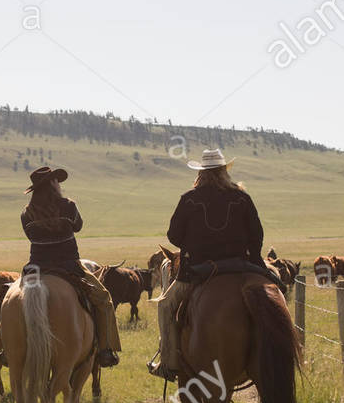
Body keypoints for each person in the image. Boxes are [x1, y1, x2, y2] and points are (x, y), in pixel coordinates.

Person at [149, 149, 270, 381]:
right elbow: (257, 234)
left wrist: (195, 245)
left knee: (165, 307)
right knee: (276, 293)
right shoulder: (242, 197)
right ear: (224, 171)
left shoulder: (189, 199)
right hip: (242, 267)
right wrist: (253, 260)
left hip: (198, 271)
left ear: (201, 173)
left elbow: (174, 236)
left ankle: (169, 364)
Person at [19, 166, 121, 368]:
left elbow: (31, 235)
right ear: (51, 184)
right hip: (68, 266)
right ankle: (105, 350)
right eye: (56, 180)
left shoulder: (26, 213)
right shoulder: (69, 206)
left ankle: (2, 348)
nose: (59, 184)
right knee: (104, 299)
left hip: (36, 268)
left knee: (8, 298)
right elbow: (78, 226)